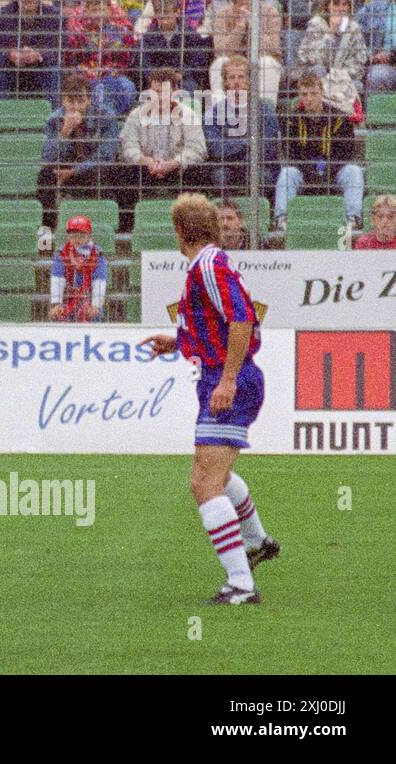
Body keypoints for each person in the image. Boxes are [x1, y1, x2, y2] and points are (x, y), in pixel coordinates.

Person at [140, 193, 278, 605]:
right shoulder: (210, 264)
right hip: (222, 377)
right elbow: (218, 323)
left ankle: (240, 584)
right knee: (217, 474)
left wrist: (229, 379)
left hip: (228, 380)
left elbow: (242, 318)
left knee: (204, 483)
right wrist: (178, 340)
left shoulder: (208, 266)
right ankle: (256, 543)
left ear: (180, 232)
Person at [111, 67, 207, 229]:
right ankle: (128, 229)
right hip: (145, 168)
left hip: (177, 169)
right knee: (121, 174)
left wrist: (174, 163)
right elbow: (128, 147)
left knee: (200, 174)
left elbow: (197, 149)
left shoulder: (188, 114)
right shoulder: (136, 115)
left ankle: (193, 226)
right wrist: (145, 160)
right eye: (155, 92)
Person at [273, 71, 364, 230]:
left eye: (313, 93)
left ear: (322, 92)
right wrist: (310, 170)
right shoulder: (291, 120)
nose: (309, 99)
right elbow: (291, 153)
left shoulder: (339, 118)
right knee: (287, 173)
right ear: (299, 95)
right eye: (304, 94)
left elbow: (346, 153)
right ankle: (282, 218)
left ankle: (352, 218)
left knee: (354, 171)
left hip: (334, 171)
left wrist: (327, 169)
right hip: (304, 172)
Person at [36, 71, 120, 231]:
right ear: (63, 100)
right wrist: (65, 132)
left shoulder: (106, 117)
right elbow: (47, 157)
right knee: (45, 177)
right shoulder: (54, 120)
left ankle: (110, 234)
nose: (75, 106)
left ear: (89, 99)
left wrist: (75, 171)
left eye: (80, 101)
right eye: (70, 101)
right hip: (63, 172)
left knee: (109, 174)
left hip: (93, 170)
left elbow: (107, 155)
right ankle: (44, 242)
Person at [202, 55, 281, 196]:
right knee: (219, 177)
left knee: (265, 178)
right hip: (227, 168)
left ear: (249, 80)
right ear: (225, 82)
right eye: (231, 77)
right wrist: (248, 142)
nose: (236, 82)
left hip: (258, 167)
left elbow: (268, 146)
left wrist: (233, 147)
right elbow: (215, 148)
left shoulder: (265, 109)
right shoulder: (213, 113)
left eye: (241, 77)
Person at [65, 0, 138, 115]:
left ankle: (110, 119)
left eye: (102, 9)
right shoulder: (79, 32)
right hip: (86, 76)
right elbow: (71, 58)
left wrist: (115, 71)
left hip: (113, 75)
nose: (98, 12)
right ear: (88, 11)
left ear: (108, 10)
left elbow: (127, 57)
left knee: (128, 87)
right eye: (95, 9)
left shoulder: (119, 30)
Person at [0, 0, 63, 101]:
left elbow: (61, 51)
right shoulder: (0, 16)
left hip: (41, 70)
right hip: (10, 70)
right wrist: (10, 55)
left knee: (55, 71)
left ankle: (54, 119)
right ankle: (0, 119)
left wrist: (39, 55)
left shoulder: (55, 16)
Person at [210, 0, 283, 102]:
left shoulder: (270, 12)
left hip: (261, 61)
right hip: (234, 63)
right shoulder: (222, 14)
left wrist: (253, 23)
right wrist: (240, 26)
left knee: (268, 62)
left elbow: (272, 48)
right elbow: (221, 50)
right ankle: (220, 109)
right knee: (219, 63)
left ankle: (265, 108)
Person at [296, 0, 368, 107]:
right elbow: (313, 58)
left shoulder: (354, 28)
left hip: (344, 77)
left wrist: (338, 75)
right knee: (318, 71)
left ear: (349, 7)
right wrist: (330, 33)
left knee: (357, 85)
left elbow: (359, 62)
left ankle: (346, 120)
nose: (340, 8)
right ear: (327, 6)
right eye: (336, 4)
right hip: (320, 75)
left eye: (344, 4)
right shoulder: (315, 25)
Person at [49, 215, 107, 322]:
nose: (77, 239)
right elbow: (57, 278)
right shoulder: (62, 253)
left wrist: (96, 305)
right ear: (68, 236)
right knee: (57, 314)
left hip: (89, 299)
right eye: (73, 235)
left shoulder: (98, 254)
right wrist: (56, 303)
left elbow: (99, 280)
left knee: (94, 315)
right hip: (68, 298)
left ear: (89, 235)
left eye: (82, 235)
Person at [357, 0, 396, 92]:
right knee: (378, 75)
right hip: (379, 65)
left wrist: (392, 56)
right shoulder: (372, 9)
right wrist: (372, 57)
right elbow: (353, 37)